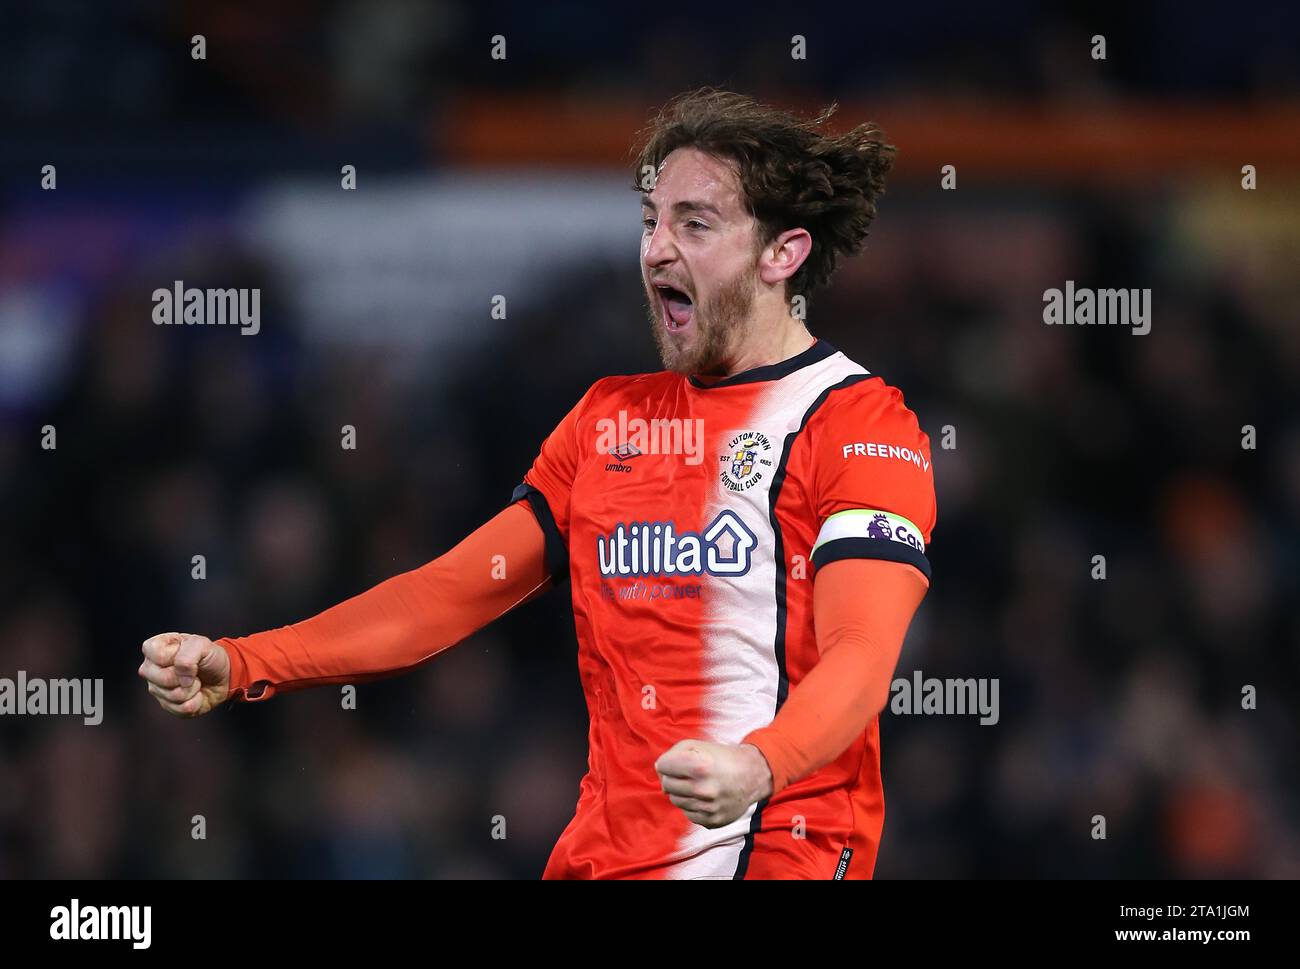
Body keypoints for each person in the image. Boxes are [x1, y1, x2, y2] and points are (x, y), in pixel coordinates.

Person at [139, 88, 936, 879]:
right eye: (650, 221)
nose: (657, 248)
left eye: (694, 223)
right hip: (603, 859)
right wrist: (245, 660)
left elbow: (862, 655)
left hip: (772, 851)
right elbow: (446, 595)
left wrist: (761, 764)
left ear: (781, 254)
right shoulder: (605, 422)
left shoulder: (858, 425)